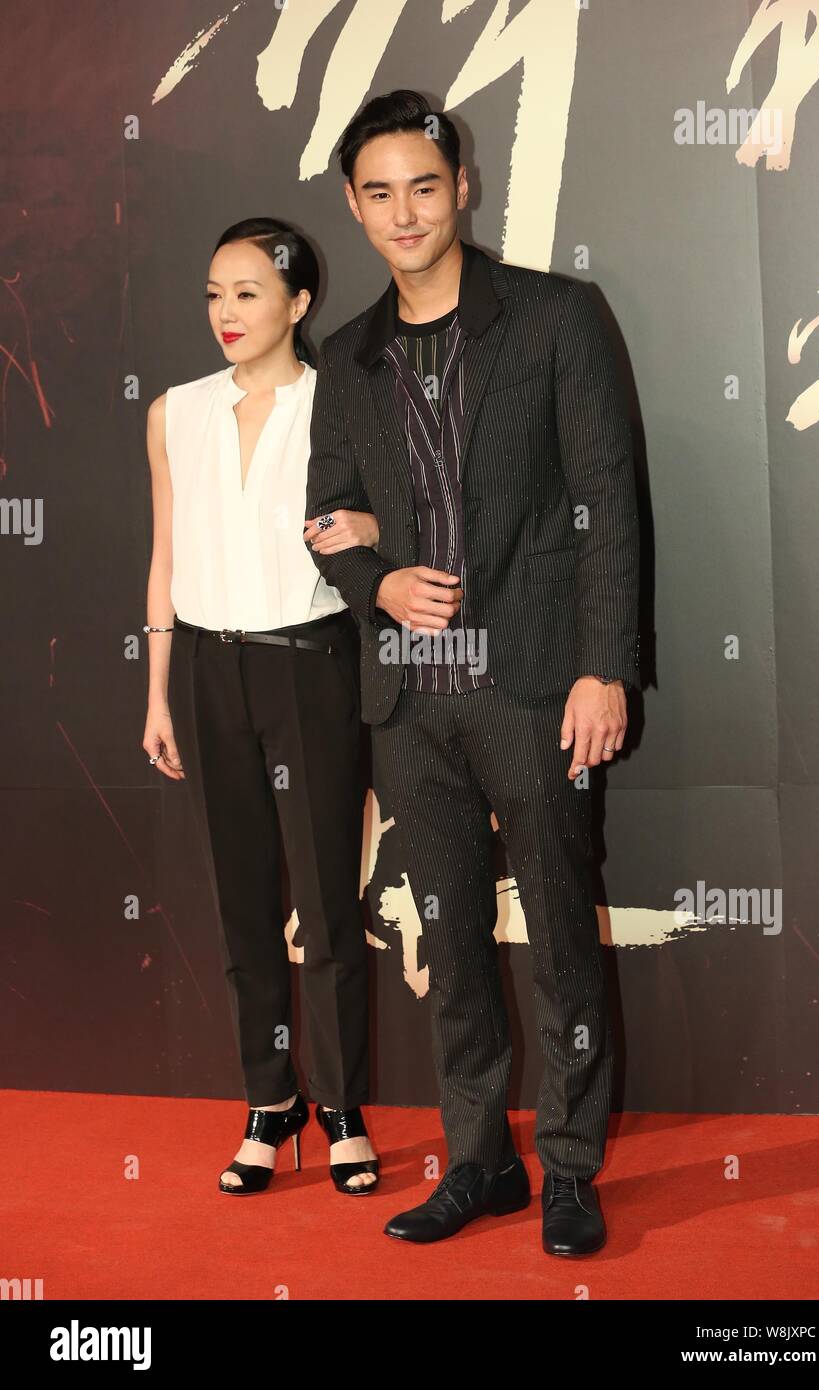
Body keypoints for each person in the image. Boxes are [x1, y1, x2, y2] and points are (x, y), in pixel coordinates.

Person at [305, 92, 640, 1254]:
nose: (404, 211)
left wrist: (606, 671)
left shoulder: (555, 317)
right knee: (450, 949)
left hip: (535, 685)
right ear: (353, 206)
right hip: (409, 698)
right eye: (378, 192)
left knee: (556, 941)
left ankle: (566, 1169)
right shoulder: (346, 360)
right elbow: (327, 515)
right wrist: (378, 586)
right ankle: (478, 1164)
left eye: (424, 186)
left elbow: (609, 511)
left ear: (463, 188)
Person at [143, 217, 379, 1196]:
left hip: (310, 665)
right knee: (241, 901)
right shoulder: (173, 411)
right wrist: (157, 688)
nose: (226, 313)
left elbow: (375, 537)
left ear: (298, 302)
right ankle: (266, 1101)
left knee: (325, 905)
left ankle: (340, 1106)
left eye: (247, 292)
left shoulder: (344, 405)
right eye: (212, 293)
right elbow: (164, 553)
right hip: (205, 667)